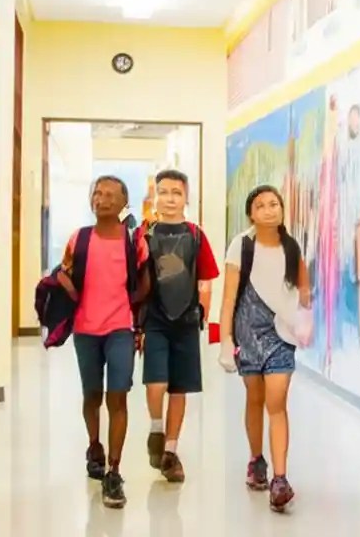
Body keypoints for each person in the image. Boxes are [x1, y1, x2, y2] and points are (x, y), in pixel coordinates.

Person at [57, 175, 150, 509]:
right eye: (97, 192)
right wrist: (70, 292)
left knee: (118, 397)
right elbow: (64, 273)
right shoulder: (78, 239)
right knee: (91, 395)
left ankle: (114, 470)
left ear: (124, 202)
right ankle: (94, 444)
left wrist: (131, 314)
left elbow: (145, 283)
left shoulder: (133, 242)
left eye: (111, 194)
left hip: (120, 329)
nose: (102, 198)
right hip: (85, 329)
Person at [218, 185, 312, 513]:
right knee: (255, 398)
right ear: (251, 214)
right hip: (248, 332)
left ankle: (281, 479)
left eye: (275, 204)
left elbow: (304, 289)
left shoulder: (291, 247)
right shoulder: (241, 246)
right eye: (261, 205)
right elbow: (229, 297)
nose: (270, 209)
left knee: (277, 402)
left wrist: (304, 320)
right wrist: (225, 339)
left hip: (281, 336)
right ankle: (256, 460)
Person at [139, 169, 220, 483]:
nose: (170, 198)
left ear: (186, 197)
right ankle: (156, 430)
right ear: (155, 197)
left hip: (186, 321)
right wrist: (139, 324)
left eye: (176, 192)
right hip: (155, 320)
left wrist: (203, 314)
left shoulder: (196, 235)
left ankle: (171, 452)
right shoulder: (145, 235)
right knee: (156, 382)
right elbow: (137, 277)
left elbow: (206, 279)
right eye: (164, 192)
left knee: (179, 388)